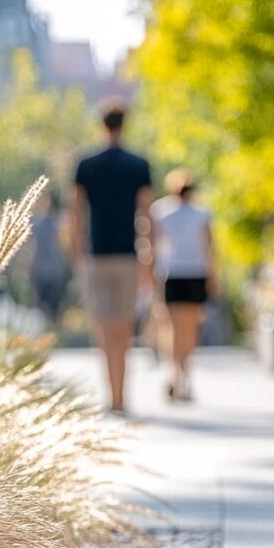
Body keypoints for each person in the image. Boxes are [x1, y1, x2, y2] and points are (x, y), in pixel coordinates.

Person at [70, 100, 154, 414]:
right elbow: (147, 214)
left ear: (102, 125)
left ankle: (111, 396)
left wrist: (77, 249)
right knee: (124, 328)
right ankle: (121, 396)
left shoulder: (86, 164)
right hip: (128, 256)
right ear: (125, 124)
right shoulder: (138, 165)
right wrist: (150, 258)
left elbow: (76, 210)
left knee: (104, 328)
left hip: (97, 255)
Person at [150, 169, 216, 402]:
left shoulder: (160, 212)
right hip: (195, 273)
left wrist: (151, 275)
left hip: (173, 274)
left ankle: (177, 374)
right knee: (190, 329)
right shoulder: (202, 214)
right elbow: (209, 248)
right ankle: (183, 375)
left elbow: (153, 245)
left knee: (174, 328)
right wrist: (213, 278)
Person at [30, 193, 70, 321]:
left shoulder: (57, 223)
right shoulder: (39, 223)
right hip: (43, 270)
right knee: (43, 305)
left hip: (51, 270)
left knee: (52, 305)